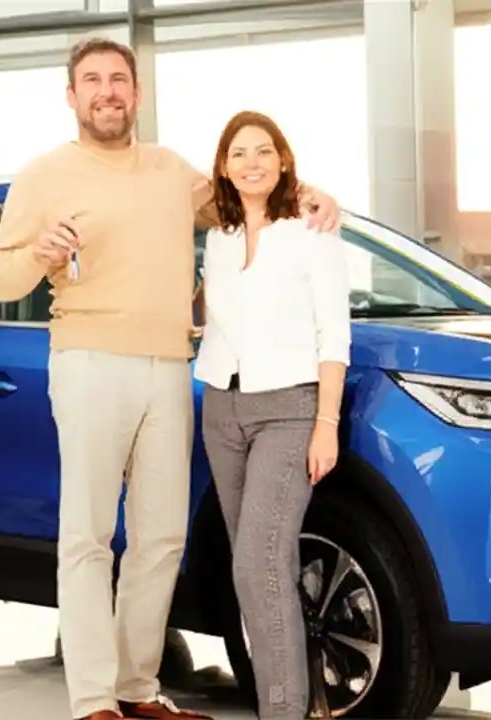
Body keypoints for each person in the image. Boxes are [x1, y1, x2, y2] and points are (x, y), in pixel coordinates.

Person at [0, 37, 341, 720]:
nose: (107, 91)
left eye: (119, 79)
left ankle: (136, 687)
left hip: (172, 368)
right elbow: (0, 281)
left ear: (137, 94)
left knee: (160, 538)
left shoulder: (173, 172)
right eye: (92, 80)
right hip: (89, 362)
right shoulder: (43, 176)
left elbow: (251, 194)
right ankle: (94, 701)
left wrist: (318, 197)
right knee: (88, 538)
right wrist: (37, 251)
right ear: (72, 96)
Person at [193, 111, 351, 719]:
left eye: (264, 151)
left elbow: (333, 335)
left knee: (257, 564)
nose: (251, 162)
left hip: (290, 409)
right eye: (238, 153)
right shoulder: (220, 236)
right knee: (258, 569)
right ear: (224, 167)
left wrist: (326, 424)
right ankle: (302, 702)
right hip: (223, 408)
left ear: (284, 160)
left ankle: (281, 711)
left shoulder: (313, 229)